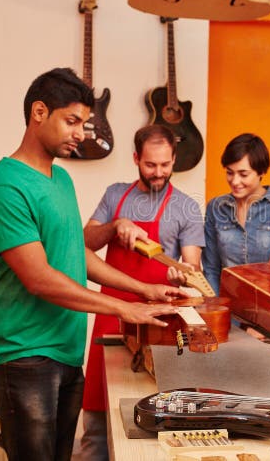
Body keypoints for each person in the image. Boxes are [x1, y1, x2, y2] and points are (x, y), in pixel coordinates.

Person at [0, 68, 188, 460]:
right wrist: (126, 308)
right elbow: (40, 279)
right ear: (39, 112)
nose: (81, 133)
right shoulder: (6, 187)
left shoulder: (61, 180)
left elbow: (77, 256)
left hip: (66, 353)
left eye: (85, 123)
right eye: (72, 121)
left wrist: (143, 289)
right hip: (23, 357)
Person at [78, 124, 205, 460]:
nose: (159, 172)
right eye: (151, 165)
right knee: (95, 422)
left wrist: (183, 274)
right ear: (136, 158)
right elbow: (82, 245)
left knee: (148, 421)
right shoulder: (115, 195)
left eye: (166, 165)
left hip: (158, 326)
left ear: (174, 158)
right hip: (109, 315)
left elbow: (194, 266)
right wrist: (115, 226)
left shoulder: (186, 208)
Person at [202, 133, 270, 294]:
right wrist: (215, 310)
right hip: (228, 309)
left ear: (261, 171)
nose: (234, 181)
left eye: (243, 174)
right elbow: (211, 269)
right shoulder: (215, 207)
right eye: (229, 172)